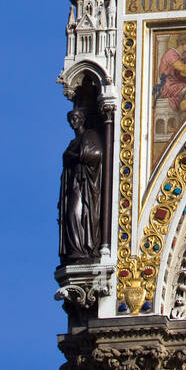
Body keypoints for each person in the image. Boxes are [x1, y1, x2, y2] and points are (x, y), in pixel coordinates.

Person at [58, 108, 103, 262]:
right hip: (75, 183)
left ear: (82, 120)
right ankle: (76, 249)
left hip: (86, 185)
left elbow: (96, 154)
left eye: (76, 118)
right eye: (71, 119)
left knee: (77, 212)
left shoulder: (90, 135)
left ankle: (84, 247)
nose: (73, 122)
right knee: (71, 214)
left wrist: (75, 156)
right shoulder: (73, 142)